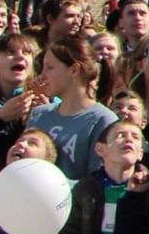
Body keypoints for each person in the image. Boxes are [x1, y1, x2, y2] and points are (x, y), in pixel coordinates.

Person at [23, 34, 119, 181]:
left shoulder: (103, 120)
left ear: (74, 70)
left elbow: (97, 181)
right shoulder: (39, 115)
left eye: (49, 67)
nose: (42, 75)